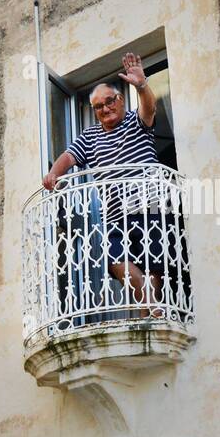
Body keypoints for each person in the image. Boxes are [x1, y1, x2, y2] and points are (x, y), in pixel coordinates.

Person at [42, 52, 170, 317]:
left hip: (150, 206)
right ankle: (150, 305)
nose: (105, 109)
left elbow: (150, 108)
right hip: (114, 214)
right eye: (98, 107)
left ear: (120, 100)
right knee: (116, 261)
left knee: (152, 264)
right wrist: (54, 174)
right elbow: (68, 156)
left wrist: (142, 85)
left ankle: (149, 316)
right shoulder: (89, 136)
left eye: (109, 102)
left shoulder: (136, 121)